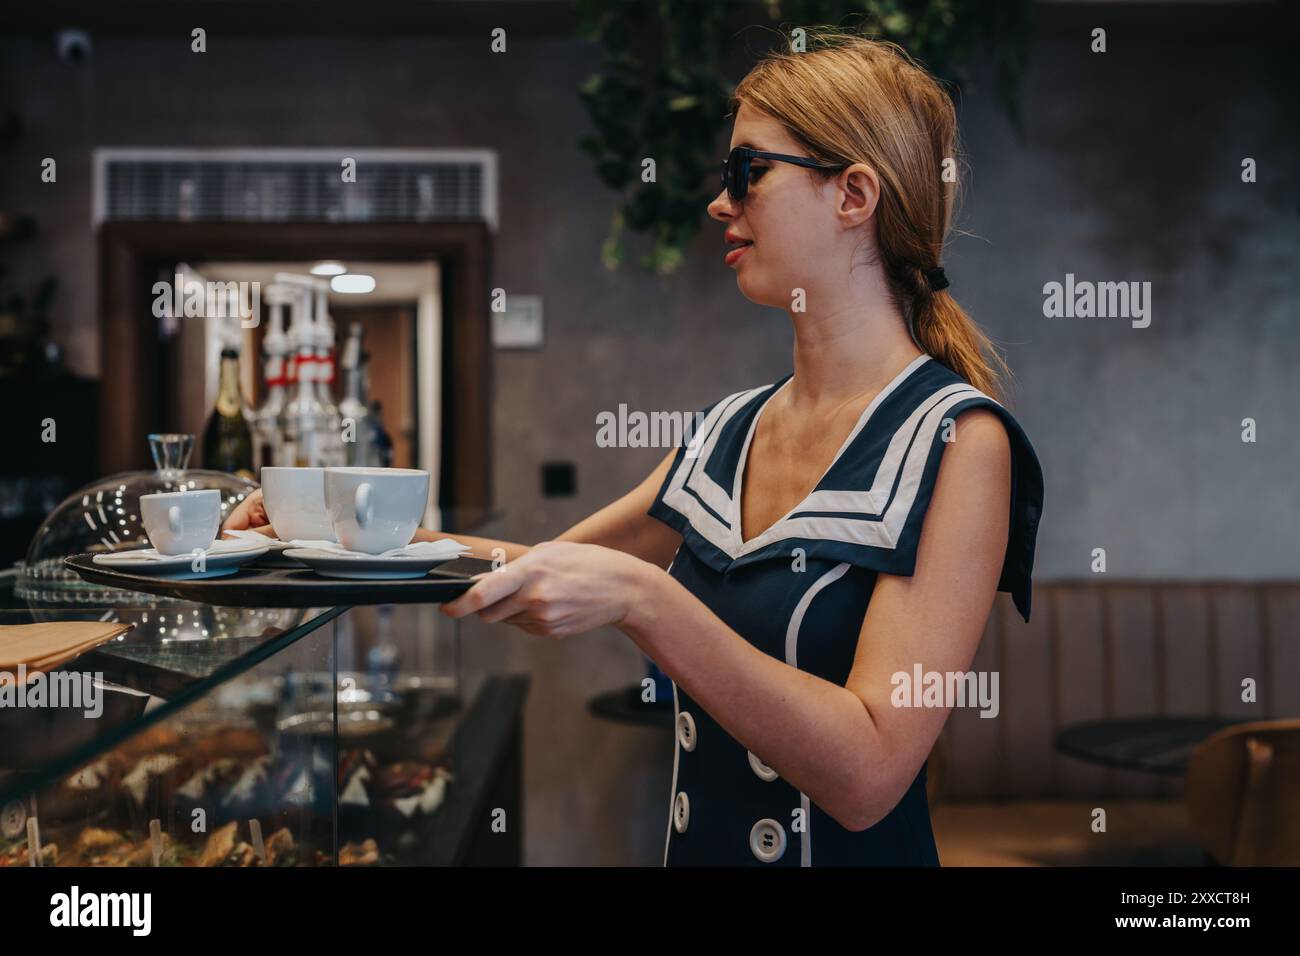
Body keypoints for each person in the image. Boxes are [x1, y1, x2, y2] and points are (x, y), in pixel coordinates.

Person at [224, 29, 1044, 866]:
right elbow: (539, 566)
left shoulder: (959, 442)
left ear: (853, 194)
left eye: (746, 173)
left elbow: (871, 775)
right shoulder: (730, 429)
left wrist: (648, 602)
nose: (720, 203)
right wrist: (315, 530)